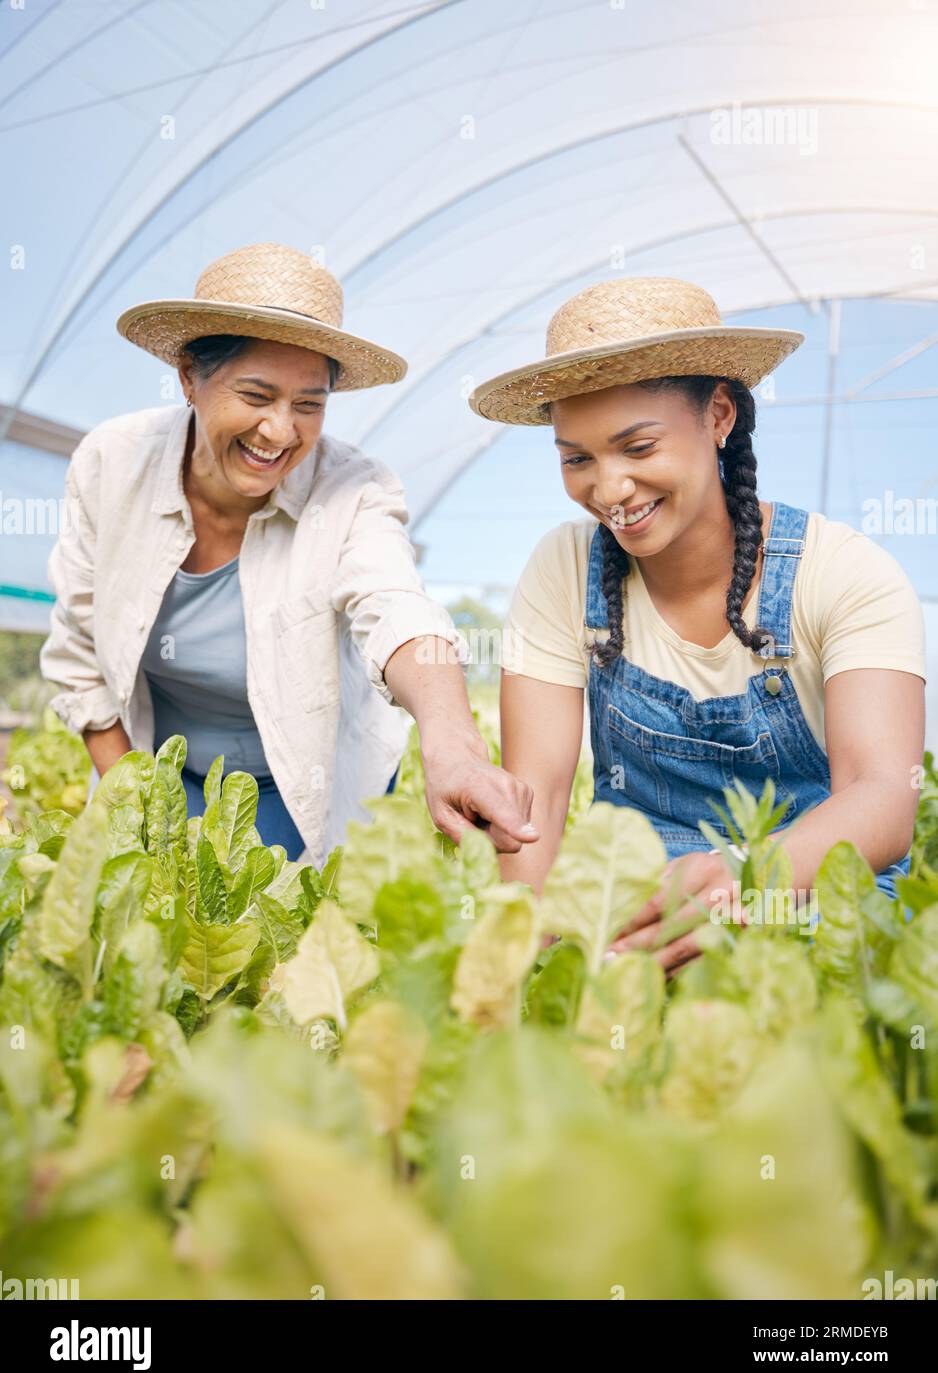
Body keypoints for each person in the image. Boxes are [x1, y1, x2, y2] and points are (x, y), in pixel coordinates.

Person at [470, 276, 926, 974]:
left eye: (638, 448)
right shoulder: (562, 570)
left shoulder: (842, 572)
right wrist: (532, 974)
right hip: (634, 922)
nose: (610, 489)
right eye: (577, 459)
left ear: (719, 416)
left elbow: (883, 798)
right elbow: (539, 801)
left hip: (811, 905)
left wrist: (740, 879)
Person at [40, 242, 537, 867]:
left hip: (304, 781)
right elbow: (80, 648)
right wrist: (135, 805)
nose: (280, 431)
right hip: (158, 775)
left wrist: (454, 745)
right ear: (190, 377)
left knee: (277, 943)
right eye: (255, 395)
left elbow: (398, 610)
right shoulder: (114, 463)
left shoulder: (354, 488)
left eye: (309, 405)